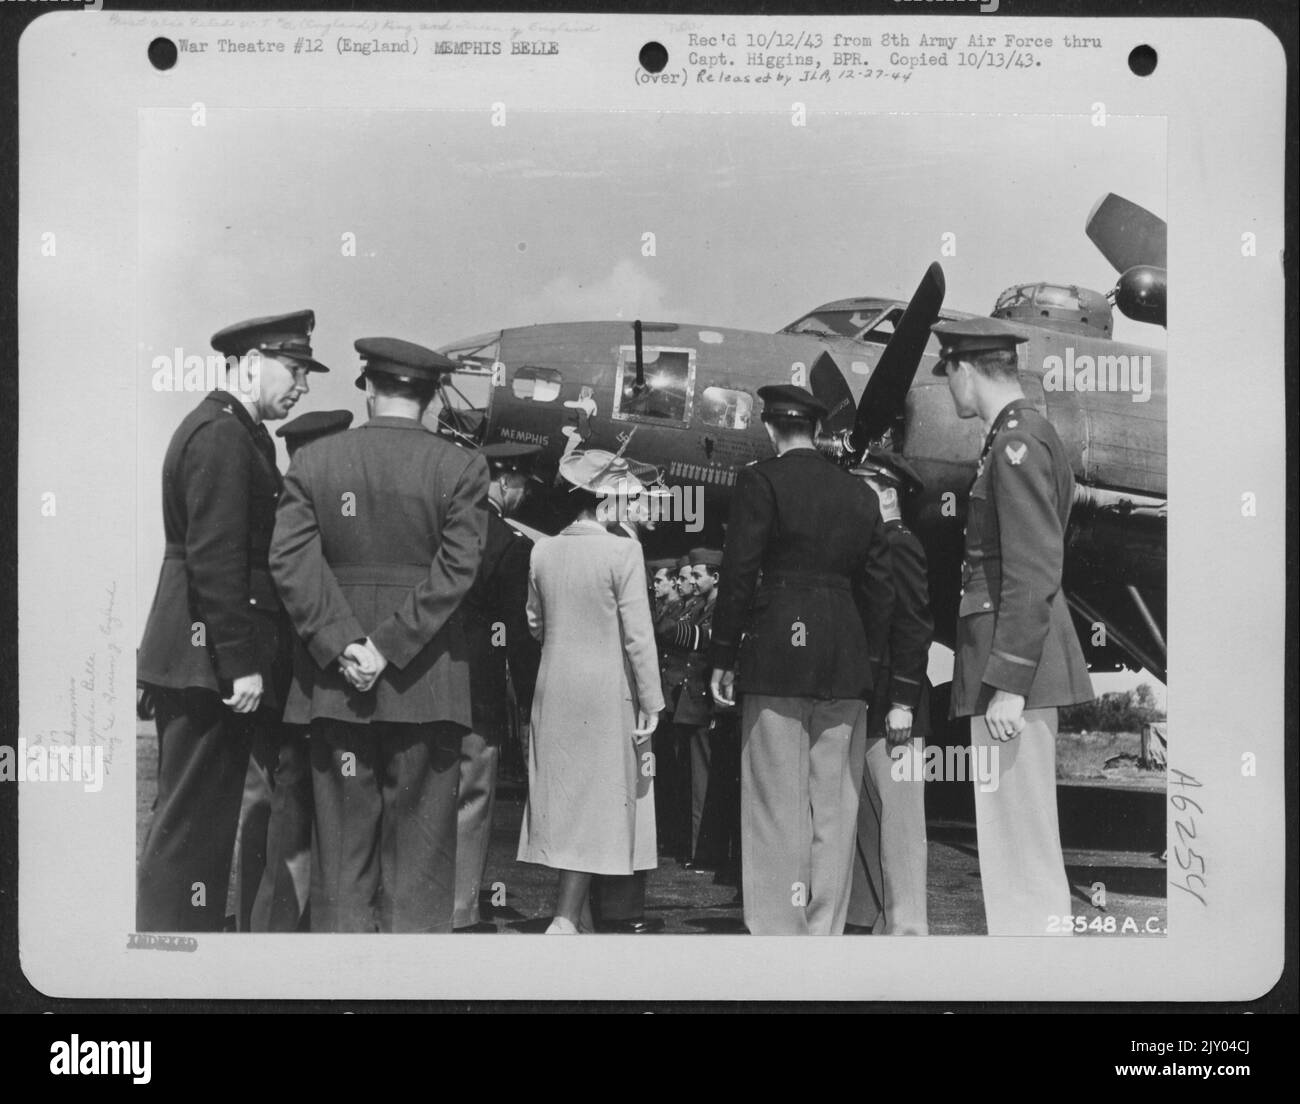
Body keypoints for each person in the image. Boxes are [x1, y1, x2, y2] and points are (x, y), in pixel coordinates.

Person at [270, 337, 488, 933]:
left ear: (367, 388)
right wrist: (385, 648)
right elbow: (457, 570)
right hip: (425, 683)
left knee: (341, 855)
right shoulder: (462, 465)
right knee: (420, 863)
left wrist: (345, 645)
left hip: (333, 687)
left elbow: (291, 564)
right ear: (430, 395)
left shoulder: (313, 463)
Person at [137, 310, 327, 931]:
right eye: (294, 368)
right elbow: (214, 559)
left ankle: (180, 951)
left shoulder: (241, 434)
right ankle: (166, 958)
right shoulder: (222, 435)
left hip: (202, 657)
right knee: (191, 824)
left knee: (202, 820)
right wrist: (239, 664)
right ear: (251, 363)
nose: (302, 385)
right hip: (209, 661)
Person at [708, 384, 894, 935]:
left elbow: (739, 573)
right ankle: (823, 930)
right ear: (815, 430)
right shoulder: (862, 496)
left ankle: (776, 929)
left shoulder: (760, 481)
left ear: (770, 428)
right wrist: (870, 660)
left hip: (776, 657)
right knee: (835, 805)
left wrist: (722, 654)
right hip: (844, 663)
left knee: (774, 803)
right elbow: (880, 590)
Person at [931, 317, 1094, 936]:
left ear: (965, 371)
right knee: (1016, 843)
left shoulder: (1016, 445)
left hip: (1012, 674)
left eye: (947, 374)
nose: (948, 389)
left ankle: (1035, 976)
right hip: (1010, 665)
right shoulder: (1026, 436)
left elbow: (1031, 568)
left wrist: (1009, 683)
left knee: (1019, 846)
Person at [517, 450, 664, 934]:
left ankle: (575, 917)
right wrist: (652, 702)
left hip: (554, 687)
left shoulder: (542, 550)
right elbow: (638, 636)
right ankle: (564, 918)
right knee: (596, 802)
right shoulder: (623, 552)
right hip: (606, 690)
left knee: (564, 796)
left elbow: (535, 624)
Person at [231, 409, 355, 933]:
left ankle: (261, 925)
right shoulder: (306, 518)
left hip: (286, 693)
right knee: (291, 824)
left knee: (275, 820)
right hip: (298, 693)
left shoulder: (285, 509)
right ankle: (272, 936)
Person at [453, 442, 543, 932]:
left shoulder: (438, 525)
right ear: (505, 483)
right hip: (477, 691)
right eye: (523, 486)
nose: (523, 496)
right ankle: (458, 911)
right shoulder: (509, 544)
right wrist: (531, 704)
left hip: (418, 690)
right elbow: (517, 638)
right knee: (470, 800)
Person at [846, 447, 933, 935]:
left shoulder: (900, 544)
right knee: (871, 825)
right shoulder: (878, 546)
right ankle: (874, 925)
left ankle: (909, 932)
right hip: (874, 710)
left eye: (863, 488)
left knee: (900, 831)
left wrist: (902, 702)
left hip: (897, 715)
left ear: (887, 493)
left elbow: (914, 627)